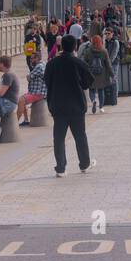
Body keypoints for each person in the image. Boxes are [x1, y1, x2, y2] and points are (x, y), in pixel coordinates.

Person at [43, 32, 96, 176]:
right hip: (76, 105)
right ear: (75, 46)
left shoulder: (52, 63)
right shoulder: (79, 63)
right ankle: (84, 164)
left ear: (61, 46)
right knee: (80, 136)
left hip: (58, 105)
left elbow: (46, 81)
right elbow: (88, 82)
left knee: (59, 138)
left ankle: (61, 168)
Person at [81, 34, 114, 114]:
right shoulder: (104, 51)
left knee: (92, 90)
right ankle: (101, 107)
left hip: (91, 74)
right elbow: (108, 64)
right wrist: (112, 74)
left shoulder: (88, 51)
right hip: (102, 74)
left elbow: (84, 63)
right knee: (101, 90)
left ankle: (93, 101)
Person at [17, 50, 48, 125]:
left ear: (37, 58)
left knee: (21, 100)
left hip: (38, 93)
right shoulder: (43, 64)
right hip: (37, 91)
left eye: (32, 59)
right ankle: (26, 120)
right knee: (21, 99)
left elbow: (29, 78)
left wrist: (28, 75)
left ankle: (15, 122)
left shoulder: (39, 67)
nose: (30, 60)